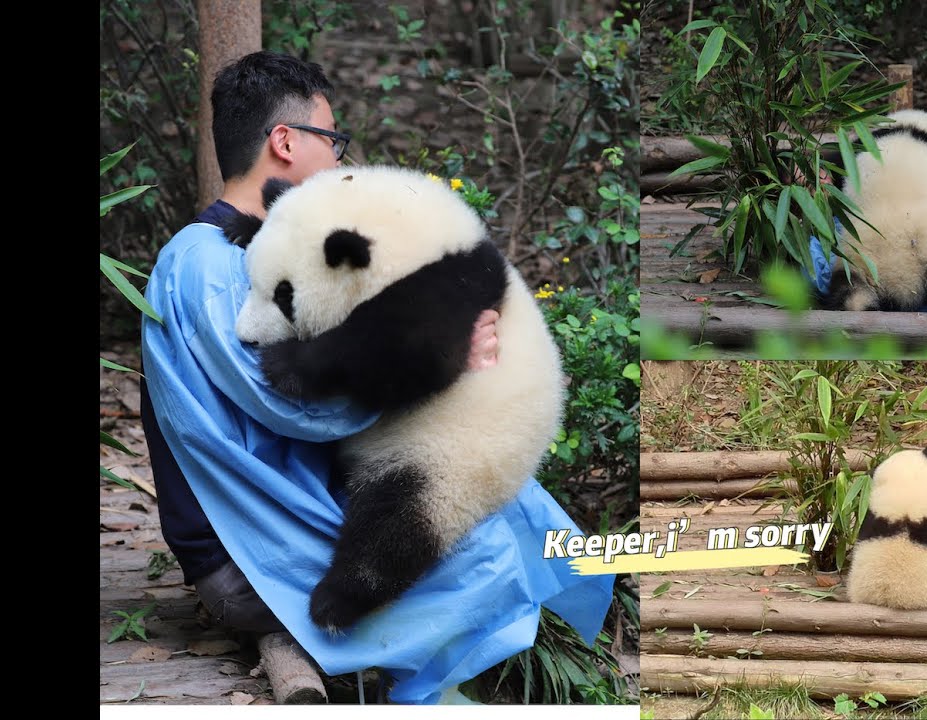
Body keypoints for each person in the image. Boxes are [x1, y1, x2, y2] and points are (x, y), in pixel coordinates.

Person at [138, 51, 611, 704]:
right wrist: (441, 363)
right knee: (482, 547)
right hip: (253, 555)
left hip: (287, 505)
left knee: (501, 492)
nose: (340, 161)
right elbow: (298, 405)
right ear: (284, 142)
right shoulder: (205, 265)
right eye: (333, 141)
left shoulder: (259, 249)